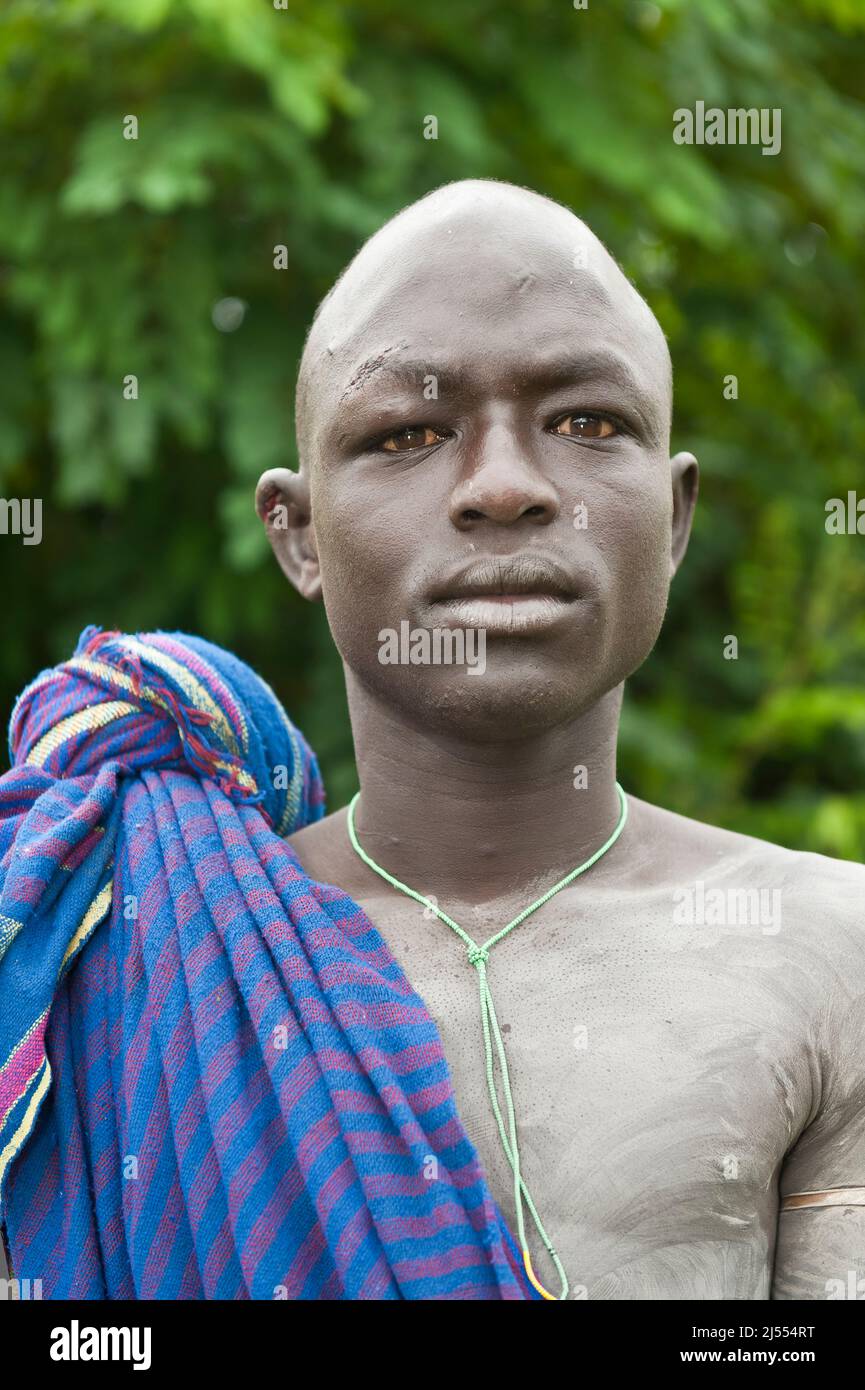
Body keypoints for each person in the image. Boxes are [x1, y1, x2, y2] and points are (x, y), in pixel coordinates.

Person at [1, 180, 862, 1301]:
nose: (504, 487)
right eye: (408, 433)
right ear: (298, 533)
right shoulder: (111, 948)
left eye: (586, 422)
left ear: (675, 513)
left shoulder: (834, 952)